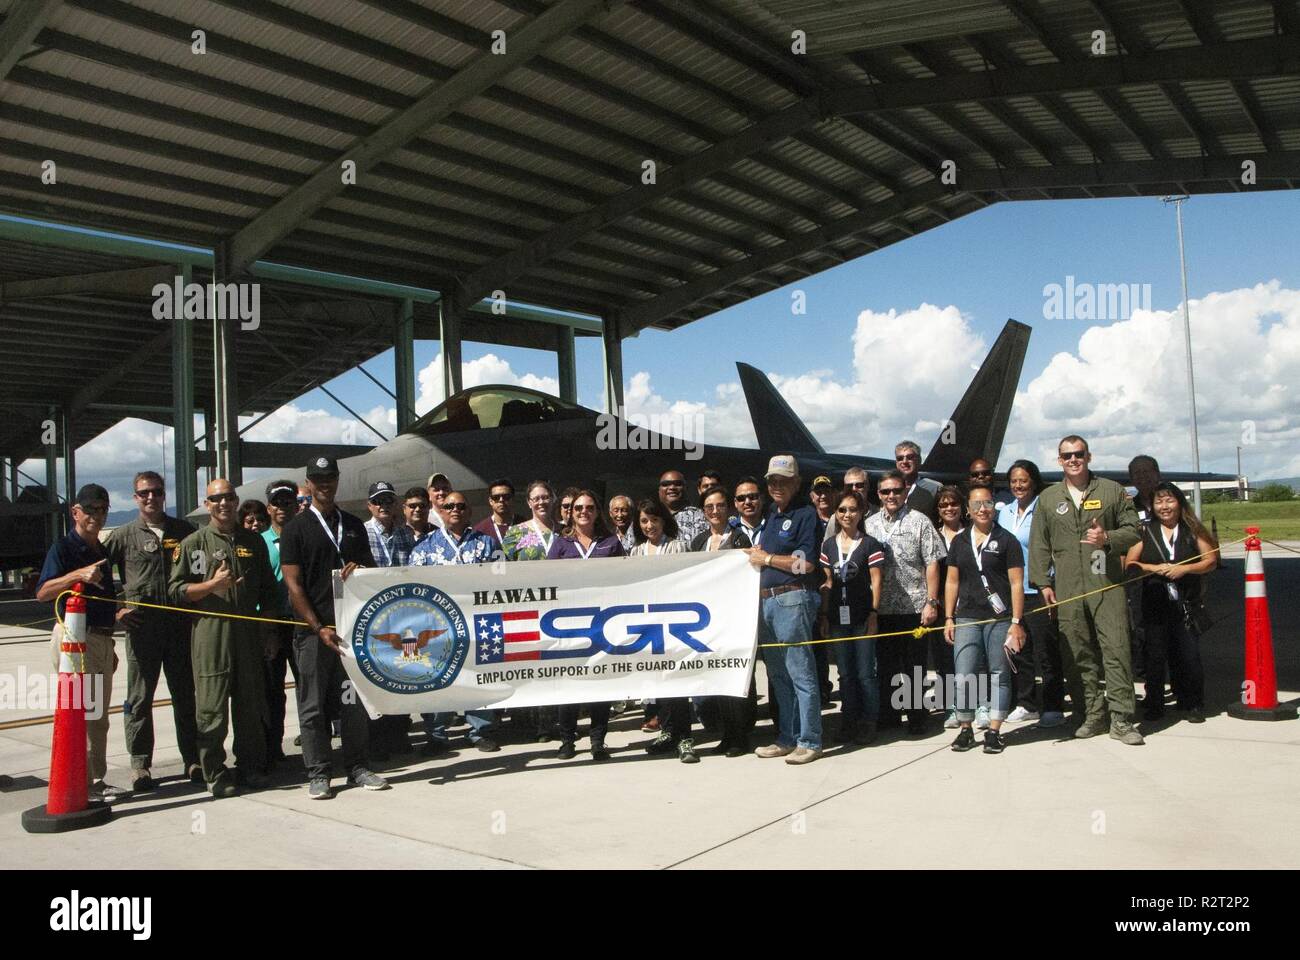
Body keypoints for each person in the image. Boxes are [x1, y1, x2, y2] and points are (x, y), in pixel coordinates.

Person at [281, 455, 389, 798]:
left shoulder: (354, 525)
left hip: (350, 633)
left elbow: (371, 576)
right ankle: (318, 771)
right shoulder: (296, 528)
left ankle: (357, 766)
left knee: (352, 703)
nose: (324, 484)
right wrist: (317, 627)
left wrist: (360, 570)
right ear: (308, 483)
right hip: (314, 634)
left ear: (337, 480)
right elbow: (293, 585)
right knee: (312, 706)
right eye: (318, 478)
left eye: (329, 478)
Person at [1028, 435, 1143, 745]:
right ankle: (1091, 713)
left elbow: (1134, 529)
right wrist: (1042, 583)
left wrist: (1108, 538)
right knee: (1076, 651)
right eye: (1067, 456)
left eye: (1079, 454)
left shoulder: (1111, 490)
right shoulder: (1049, 498)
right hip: (1067, 586)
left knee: (1116, 648)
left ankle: (1121, 718)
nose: (1073, 460)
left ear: (1088, 456)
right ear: (1059, 461)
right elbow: (1039, 543)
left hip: (1106, 581)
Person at [168, 479, 280, 797]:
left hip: (247, 635)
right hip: (210, 634)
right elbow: (175, 591)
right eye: (216, 499)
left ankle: (251, 767)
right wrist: (210, 587)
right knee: (211, 708)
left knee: (250, 705)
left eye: (229, 497)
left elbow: (269, 593)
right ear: (207, 505)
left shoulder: (254, 542)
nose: (223, 504)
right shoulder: (192, 544)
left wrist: (269, 631)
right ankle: (215, 772)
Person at [100, 471, 199, 792]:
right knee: (139, 699)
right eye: (143, 493)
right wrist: (116, 609)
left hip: (180, 629)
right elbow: (97, 576)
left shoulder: (185, 532)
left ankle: (193, 758)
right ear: (135, 498)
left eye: (156, 492)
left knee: (186, 697)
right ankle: (140, 764)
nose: (150, 498)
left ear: (164, 494)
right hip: (143, 631)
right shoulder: (124, 535)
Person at [36, 483, 124, 801]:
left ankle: (95, 779)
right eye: (90, 510)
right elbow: (43, 592)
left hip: (101, 639)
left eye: (102, 510)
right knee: (78, 712)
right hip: (75, 639)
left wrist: (113, 629)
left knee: (98, 715)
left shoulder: (102, 551)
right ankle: (78, 781)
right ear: (76, 512)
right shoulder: (64, 548)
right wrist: (77, 575)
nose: (96, 516)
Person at [746, 454, 823, 764]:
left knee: (801, 672)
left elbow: (805, 564)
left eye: (783, 480)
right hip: (766, 600)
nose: (777, 486)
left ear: (796, 482)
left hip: (792, 597)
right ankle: (788, 737)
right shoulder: (772, 518)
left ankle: (811, 739)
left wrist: (765, 559)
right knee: (778, 675)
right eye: (772, 481)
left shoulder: (806, 515)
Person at [410, 491, 499, 753]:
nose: (455, 510)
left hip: (476, 624)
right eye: (449, 506)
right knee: (436, 678)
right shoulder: (424, 547)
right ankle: (436, 734)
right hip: (437, 627)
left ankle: (481, 730)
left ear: (469, 510)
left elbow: (501, 584)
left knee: (478, 678)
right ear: (441, 510)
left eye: (461, 506)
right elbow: (415, 589)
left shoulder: (487, 544)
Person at [943, 481, 1026, 755]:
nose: (982, 509)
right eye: (976, 504)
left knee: (999, 674)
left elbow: (1016, 583)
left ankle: (993, 731)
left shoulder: (1007, 541)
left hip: (999, 619)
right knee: (964, 674)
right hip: (967, 616)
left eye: (987, 503)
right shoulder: (959, 541)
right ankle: (966, 729)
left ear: (994, 507)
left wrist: (1016, 621)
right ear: (968, 509)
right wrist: (948, 616)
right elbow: (952, 581)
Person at [1124, 482, 1218, 723]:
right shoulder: (1144, 531)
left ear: (1179, 502)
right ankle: (1154, 703)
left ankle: (1193, 703)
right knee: (1154, 657)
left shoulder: (1193, 529)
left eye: (1169, 501)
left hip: (1185, 605)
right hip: (1154, 604)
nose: (1164, 506)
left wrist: (1184, 569)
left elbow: (1210, 561)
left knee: (1189, 656)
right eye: (1159, 502)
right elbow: (1131, 564)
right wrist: (1155, 568)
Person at [866, 469, 944, 735]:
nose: (891, 496)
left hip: (913, 606)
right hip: (882, 608)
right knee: (886, 665)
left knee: (914, 667)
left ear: (905, 492)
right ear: (878, 494)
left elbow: (932, 563)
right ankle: (888, 715)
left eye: (896, 491)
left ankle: (916, 717)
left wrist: (931, 602)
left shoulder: (920, 521)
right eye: (885, 491)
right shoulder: (870, 524)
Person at [548, 490, 625, 761]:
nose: (583, 511)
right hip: (568, 625)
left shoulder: (611, 542)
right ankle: (567, 741)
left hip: (602, 625)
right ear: (571, 512)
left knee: (599, 686)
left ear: (597, 511)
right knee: (569, 683)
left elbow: (626, 578)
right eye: (578, 507)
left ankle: (597, 742)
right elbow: (547, 582)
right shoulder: (560, 543)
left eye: (589, 507)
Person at [627, 498, 699, 762]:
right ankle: (668, 733)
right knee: (659, 683)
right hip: (649, 628)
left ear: (663, 521)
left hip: (676, 625)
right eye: (644, 521)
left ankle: (685, 739)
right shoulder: (636, 552)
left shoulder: (678, 546)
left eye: (654, 520)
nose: (649, 525)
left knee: (678, 683)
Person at [997, 460, 1066, 728]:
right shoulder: (1004, 512)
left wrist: (1051, 584)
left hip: (1039, 589)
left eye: (1023, 480)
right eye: (1013, 481)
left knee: (1046, 651)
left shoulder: (1045, 509)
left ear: (1033, 482)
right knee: (1018, 651)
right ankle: (1027, 704)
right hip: (1012, 593)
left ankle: (1053, 706)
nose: (1018, 485)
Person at [690, 484, 753, 756]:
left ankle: (741, 736)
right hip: (707, 621)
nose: (715, 511)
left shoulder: (740, 538)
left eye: (719, 506)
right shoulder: (698, 542)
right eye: (709, 507)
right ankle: (727, 735)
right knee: (717, 678)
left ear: (728, 508)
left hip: (735, 617)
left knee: (736, 677)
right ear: (703, 511)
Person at [819, 490, 885, 745]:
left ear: (862, 512)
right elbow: (826, 582)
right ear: (836, 513)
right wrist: (824, 614)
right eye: (842, 510)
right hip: (837, 617)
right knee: (845, 673)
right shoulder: (828, 545)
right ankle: (849, 720)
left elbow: (877, 581)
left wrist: (873, 613)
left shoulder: (870, 544)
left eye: (852, 509)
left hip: (861, 616)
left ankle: (870, 721)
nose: (847, 515)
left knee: (866, 672)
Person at [500, 481, 561, 741]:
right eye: (536, 498)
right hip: (525, 609)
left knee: (554, 667)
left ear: (554, 499)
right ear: (528, 503)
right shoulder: (515, 533)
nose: (541, 502)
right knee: (526, 666)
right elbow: (502, 571)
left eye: (546, 497)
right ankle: (522, 722)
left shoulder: (565, 532)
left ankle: (549, 725)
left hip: (558, 609)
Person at [363, 480, 416, 759]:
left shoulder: (406, 534)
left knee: (402, 679)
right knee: (377, 680)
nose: (383, 505)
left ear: (395, 504)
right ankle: (377, 740)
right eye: (378, 501)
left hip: (403, 618)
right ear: (370, 505)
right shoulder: (361, 533)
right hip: (375, 620)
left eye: (387, 500)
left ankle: (399, 735)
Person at [260, 480, 301, 762]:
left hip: (301, 620)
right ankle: (272, 749)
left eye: (288, 502)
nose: (282, 508)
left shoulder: (305, 536)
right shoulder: (259, 541)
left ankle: (315, 744)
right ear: (269, 508)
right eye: (277, 503)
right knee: (272, 690)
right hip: (271, 622)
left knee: (309, 686)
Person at [933, 485, 967, 730]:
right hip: (943, 606)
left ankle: (974, 703)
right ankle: (950, 706)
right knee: (945, 659)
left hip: (969, 603)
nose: (949, 508)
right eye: (944, 505)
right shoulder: (933, 535)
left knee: (970, 656)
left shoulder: (972, 533)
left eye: (953, 503)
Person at [808, 474, 837, 704]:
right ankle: (822, 687)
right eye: (819, 492)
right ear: (812, 496)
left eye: (827, 491)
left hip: (844, 585)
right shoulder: (808, 521)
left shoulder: (842, 517)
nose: (823, 496)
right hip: (818, 586)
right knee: (818, 642)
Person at [895, 441, 940, 519]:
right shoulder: (888, 490)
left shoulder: (934, 489)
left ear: (919, 460)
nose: (904, 461)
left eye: (910, 457)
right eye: (900, 458)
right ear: (896, 463)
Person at [659, 469, 707, 542]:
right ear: (659, 490)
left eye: (677, 483)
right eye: (665, 484)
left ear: (686, 488)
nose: (672, 487)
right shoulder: (651, 517)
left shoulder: (702, 516)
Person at [474, 477, 521, 550]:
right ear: (490, 501)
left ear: (513, 499)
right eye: (496, 497)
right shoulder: (480, 530)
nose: (501, 500)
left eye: (506, 497)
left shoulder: (525, 526)